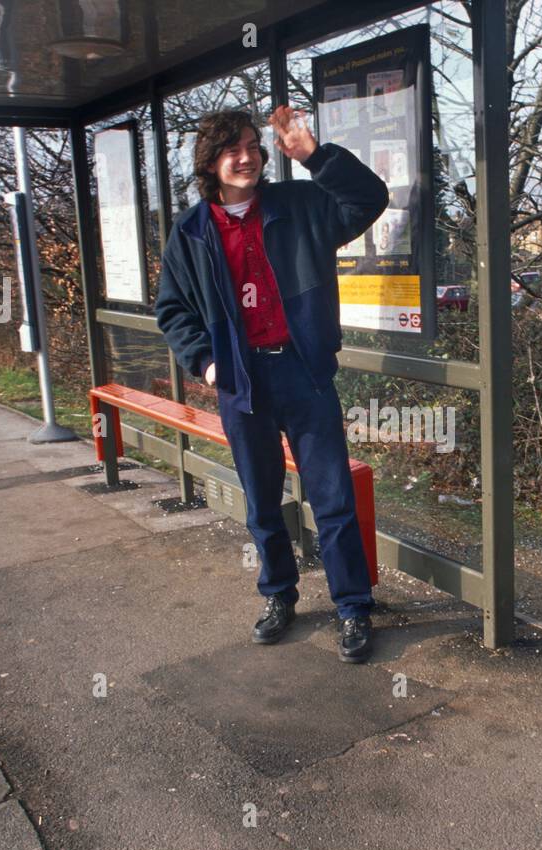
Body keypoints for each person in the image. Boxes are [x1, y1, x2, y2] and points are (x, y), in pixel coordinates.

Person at [155, 107, 389, 663]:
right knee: (261, 499)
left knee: (331, 495)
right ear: (210, 163)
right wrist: (207, 363)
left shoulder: (299, 205)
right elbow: (172, 310)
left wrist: (313, 156)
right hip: (241, 380)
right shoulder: (190, 233)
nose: (246, 157)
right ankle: (279, 595)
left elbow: (368, 200)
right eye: (231, 149)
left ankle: (353, 607)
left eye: (252, 146)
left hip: (303, 372)